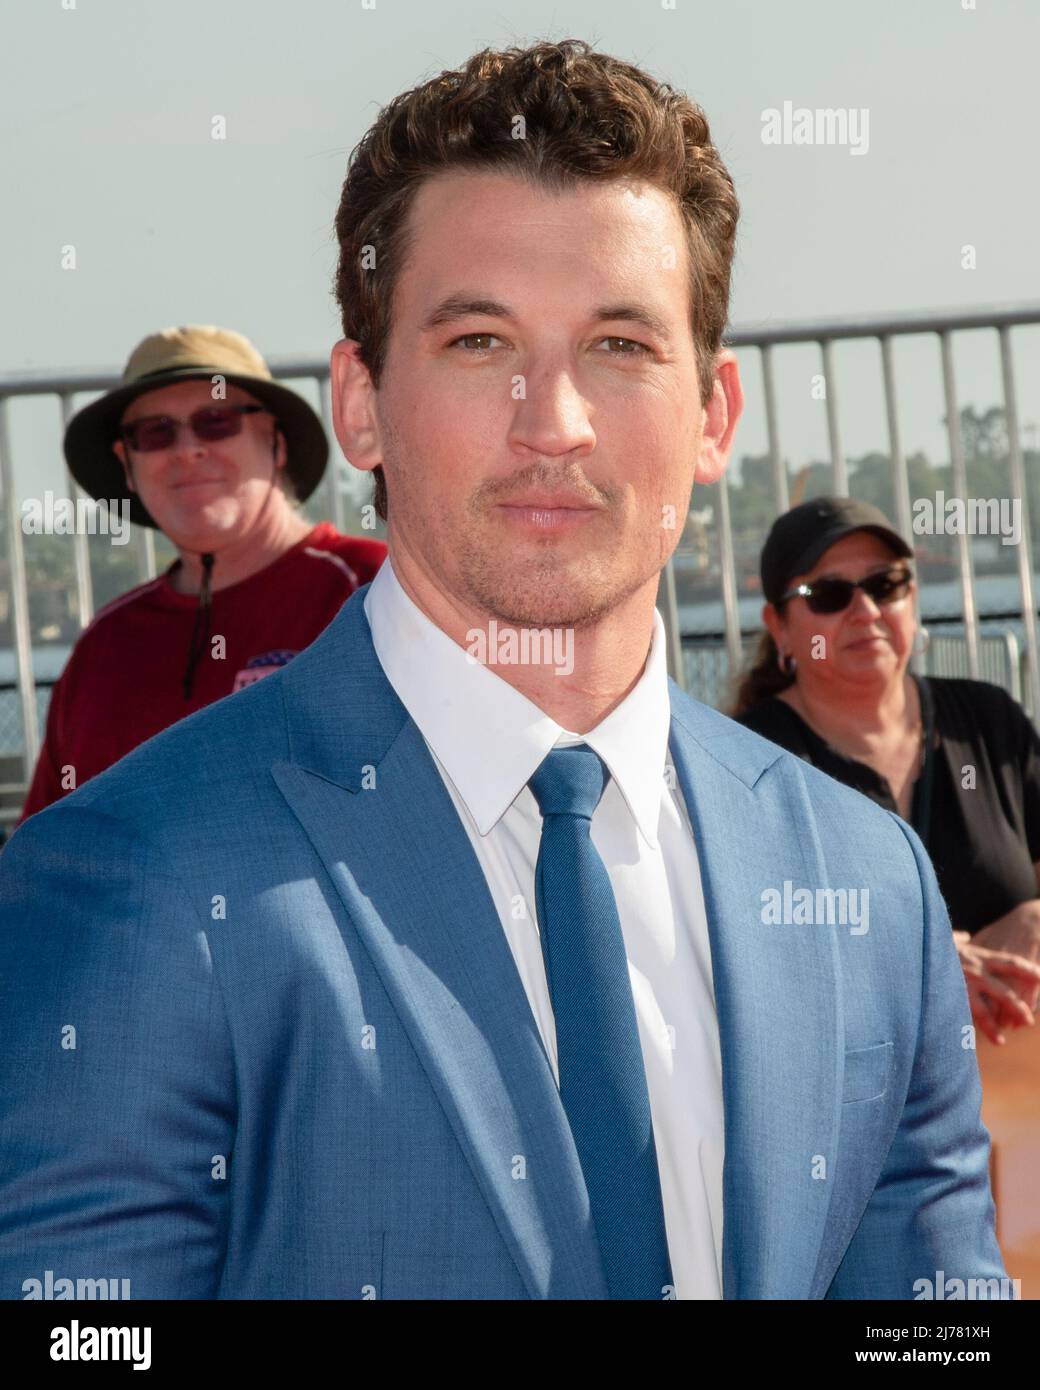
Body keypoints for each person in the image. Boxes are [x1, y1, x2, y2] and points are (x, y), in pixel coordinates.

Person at [0, 40, 1009, 1300]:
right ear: (360, 404)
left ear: (713, 414)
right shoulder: (130, 875)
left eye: (619, 344)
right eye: (479, 341)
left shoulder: (866, 885)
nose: (553, 423)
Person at [17, 325, 387, 822]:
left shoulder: (373, 587)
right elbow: (48, 847)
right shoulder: (102, 649)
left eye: (216, 421)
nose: (186, 449)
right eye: (156, 432)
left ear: (275, 442)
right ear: (127, 465)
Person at [732, 496, 1040, 1049]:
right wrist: (927, 965)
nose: (866, 611)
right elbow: (751, 947)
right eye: (828, 594)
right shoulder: (746, 762)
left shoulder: (989, 721)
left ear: (912, 600)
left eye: (885, 585)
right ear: (780, 628)